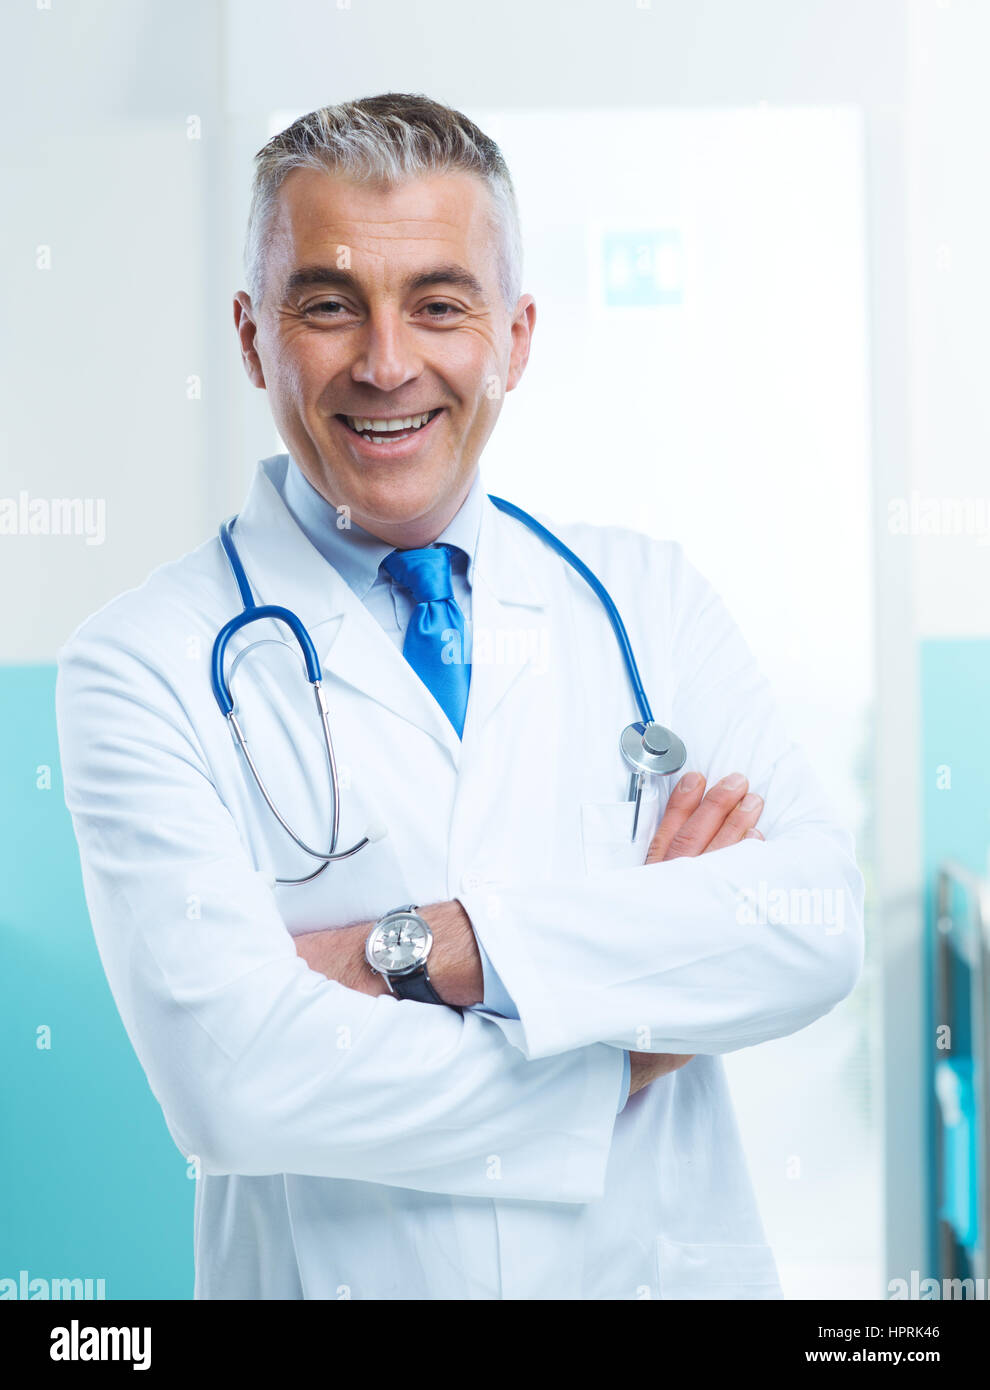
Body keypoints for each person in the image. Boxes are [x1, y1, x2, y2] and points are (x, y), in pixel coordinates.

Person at [55, 92, 864, 1300]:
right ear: (250, 337)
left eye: (441, 303)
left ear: (517, 336)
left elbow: (810, 923)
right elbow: (235, 1082)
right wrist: (630, 1030)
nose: (388, 364)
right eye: (329, 305)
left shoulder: (648, 598)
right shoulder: (141, 663)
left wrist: (430, 948)